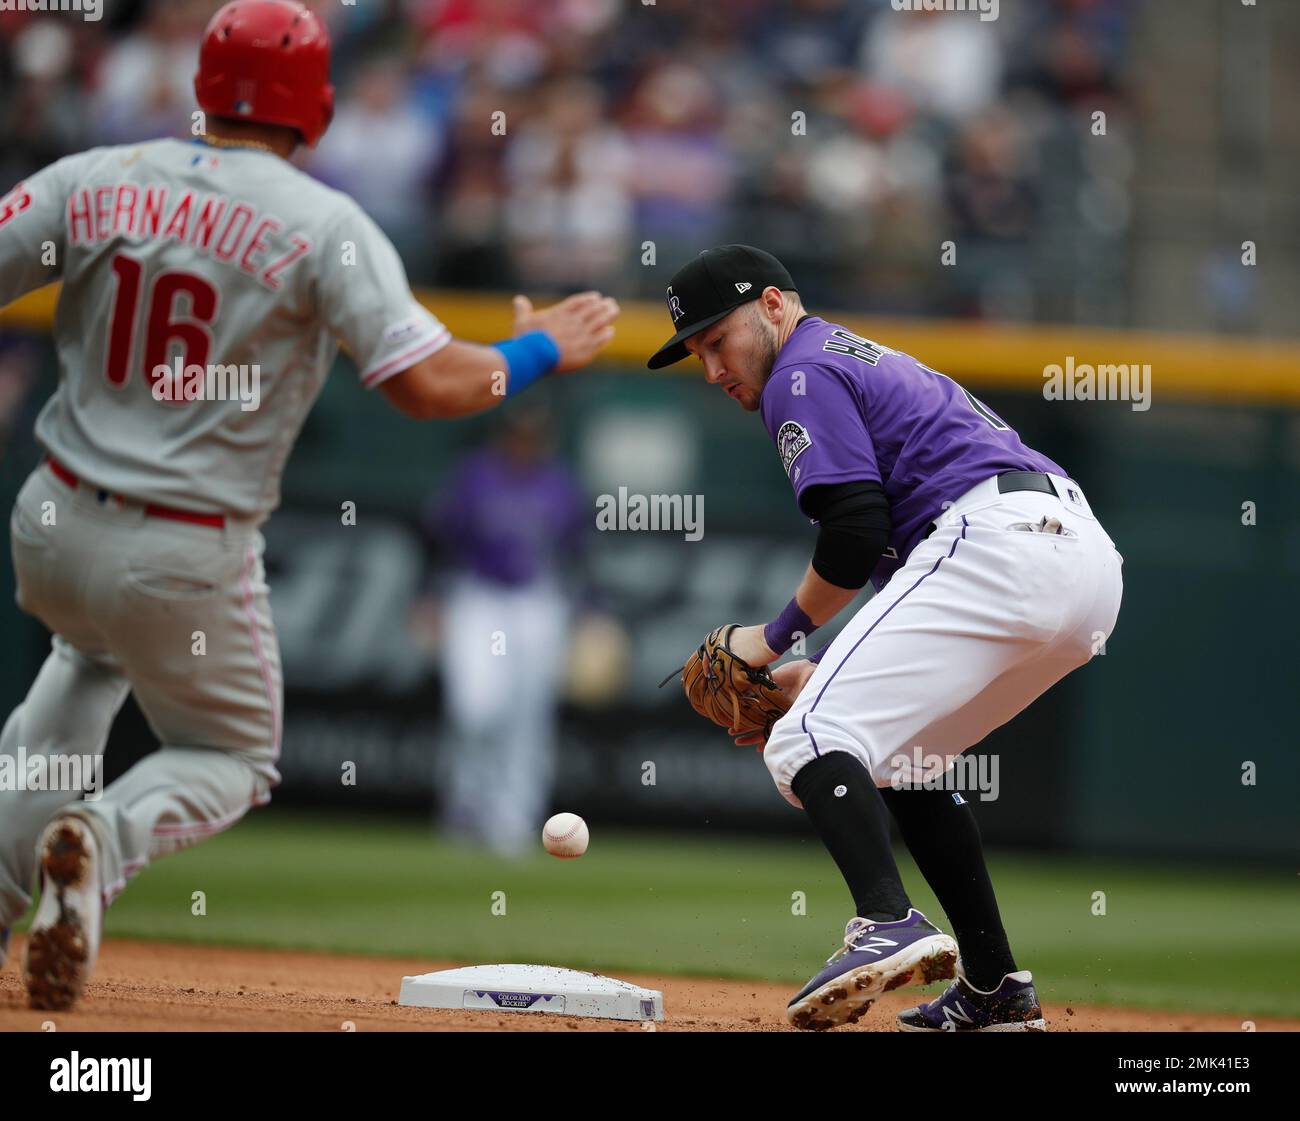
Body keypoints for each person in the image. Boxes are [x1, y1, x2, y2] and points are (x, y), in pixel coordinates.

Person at [0, 0, 618, 1010]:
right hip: (183, 541)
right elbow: (426, 386)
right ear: (317, 108)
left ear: (202, 88)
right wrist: (538, 345)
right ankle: (98, 841)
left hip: (56, 515)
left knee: (81, 661)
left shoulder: (95, 176)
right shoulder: (324, 223)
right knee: (231, 754)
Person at [648, 244, 1122, 1032]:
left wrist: (767, 643)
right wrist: (818, 667)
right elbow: (894, 565)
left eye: (715, 341)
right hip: (1078, 569)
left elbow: (854, 533)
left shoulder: (799, 372)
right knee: (903, 760)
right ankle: (995, 987)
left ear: (772, 305)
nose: (712, 368)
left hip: (997, 541)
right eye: (697, 353)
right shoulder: (841, 357)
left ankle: (886, 922)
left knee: (803, 740)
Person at [422, 408, 587, 856]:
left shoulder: (559, 483)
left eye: (533, 434)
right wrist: (429, 596)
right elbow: (438, 539)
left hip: (538, 602)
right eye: (518, 433)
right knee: (475, 707)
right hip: (479, 598)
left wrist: (590, 613)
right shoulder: (475, 476)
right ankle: (466, 805)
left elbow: (579, 553)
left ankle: (513, 820)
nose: (525, 441)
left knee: (528, 716)